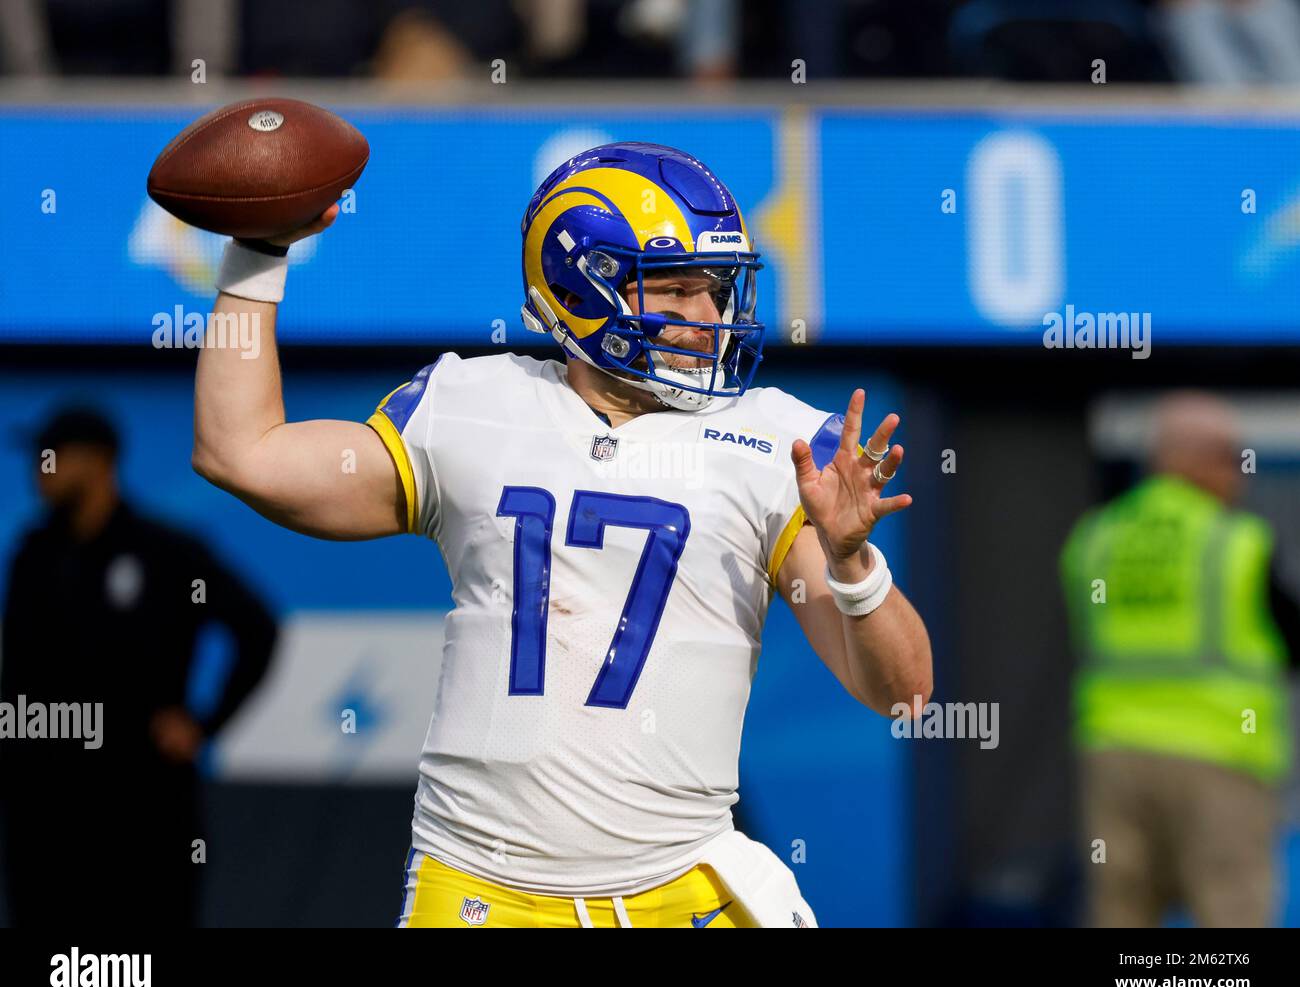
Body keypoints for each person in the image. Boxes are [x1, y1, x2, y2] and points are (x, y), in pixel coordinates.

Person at [192, 142, 933, 928]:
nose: (709, 318)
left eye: (716, 291)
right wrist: (256, 256)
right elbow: (243, 453)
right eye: (676, 290)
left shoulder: (771, 439)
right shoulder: (472, 405)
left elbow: (905, 691)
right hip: (478, 885)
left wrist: (852, 560)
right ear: (584, 289)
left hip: (682, 886)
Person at [0, 407, 278, 928]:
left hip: (145, 816)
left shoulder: (166, 554)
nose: (39, 471)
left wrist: (204, 724)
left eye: (52, 457)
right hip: (44, 819)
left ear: (99, 461)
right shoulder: (32, 558)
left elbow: (257, 629)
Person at [1061, 391, 1300, 928]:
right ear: (1203, 459)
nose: (1241, 474)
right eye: (1233, 457)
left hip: (1113, 754)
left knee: (1120, 913)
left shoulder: (1096, 537)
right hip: (1218, 754)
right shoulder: (1236, 540)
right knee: (1230, 918)